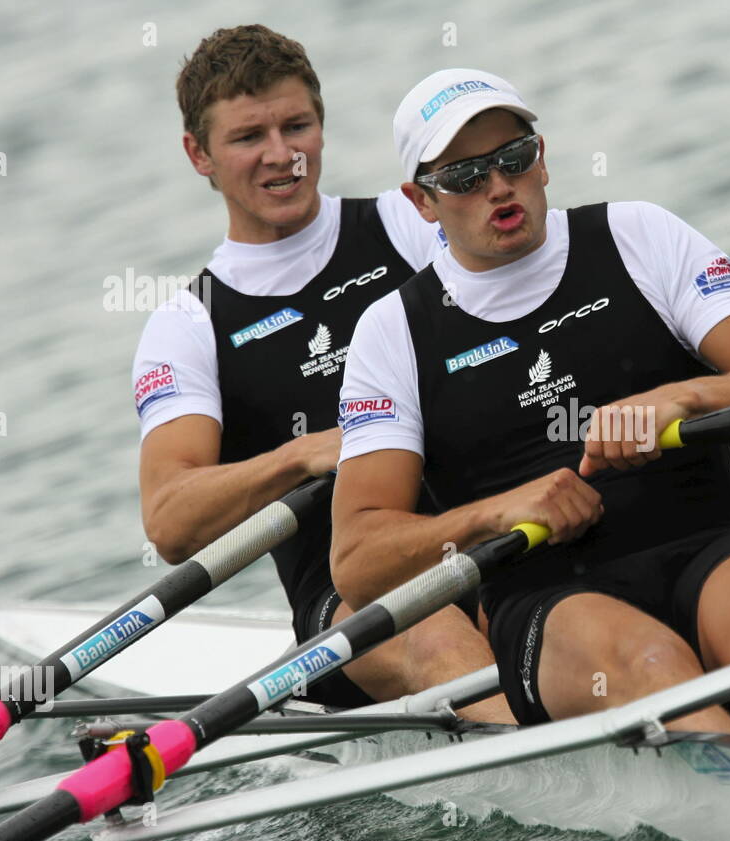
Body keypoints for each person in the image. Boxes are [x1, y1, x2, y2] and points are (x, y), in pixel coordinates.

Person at [331, 69, 730, 732]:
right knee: (646, 658)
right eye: (464, 176)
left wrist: (686, 396)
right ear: (422, 201)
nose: (497, 185)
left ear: (542, 160)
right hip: (550, 600)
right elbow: (357, 563)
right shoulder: (392, 331)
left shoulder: (639, 235)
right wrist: (497, 513)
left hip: (714, 550)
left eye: (513, 157)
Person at [133, 28, 509, 720]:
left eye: (297, 125)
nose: (283, 156)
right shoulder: (189, 325)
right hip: (349, 601)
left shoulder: (406, 220)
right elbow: (169, 520)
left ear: (321, 127)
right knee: (436, 634)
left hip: (496, 529)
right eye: (249, 137)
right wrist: (305, 454)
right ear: (199, 154)